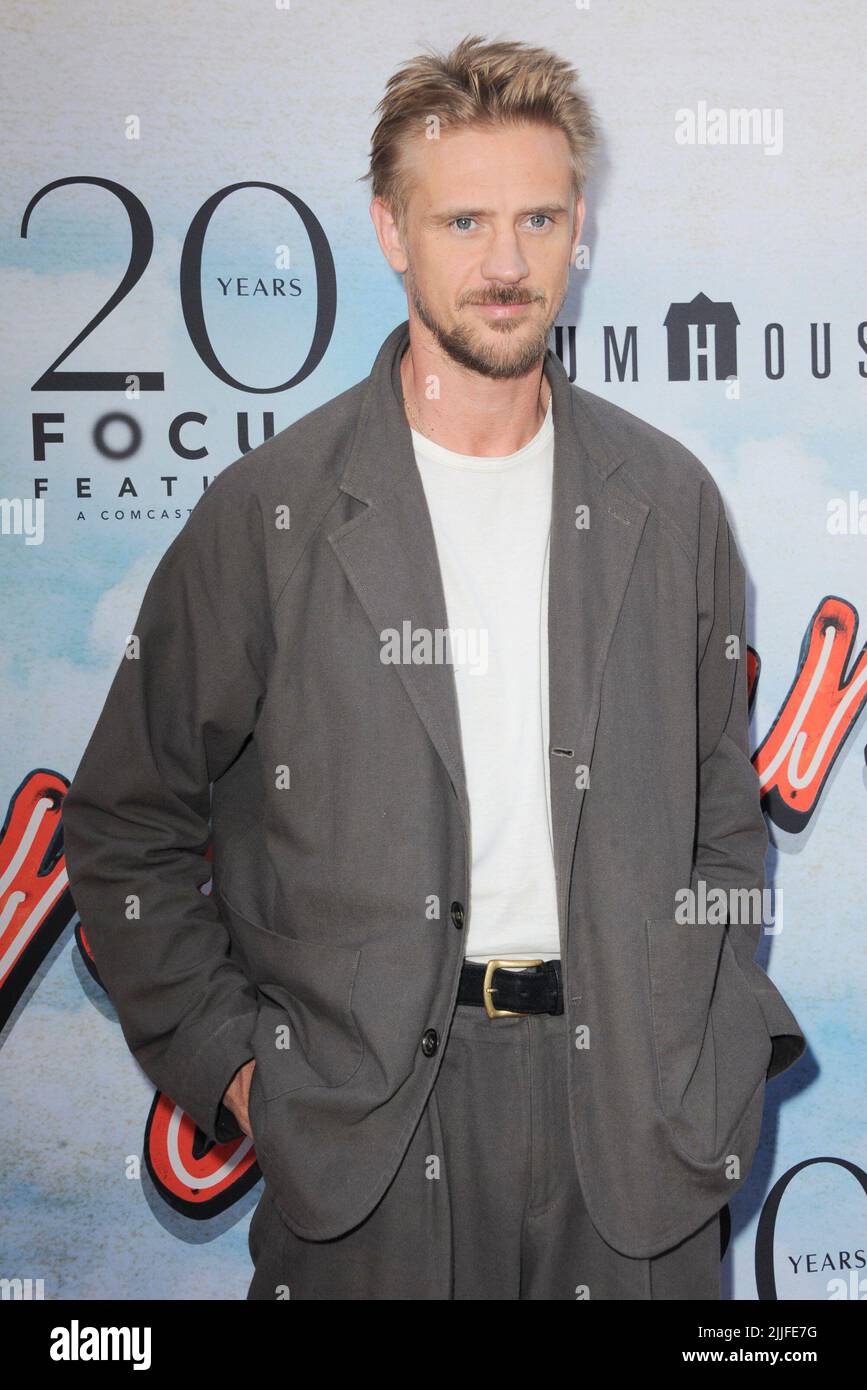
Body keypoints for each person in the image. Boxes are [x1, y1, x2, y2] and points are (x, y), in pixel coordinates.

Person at [62, 33, 806, 1300]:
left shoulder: (670, 502)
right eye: (464, 221)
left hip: (638, 1122)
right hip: (366, 1133)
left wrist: (709, 1031)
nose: (506, 264)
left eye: (538, 219)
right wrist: (244, 1074)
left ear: (579, 228)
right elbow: (124, 824)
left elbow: (722, 821)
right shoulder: (269, 514)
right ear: (390, 231)